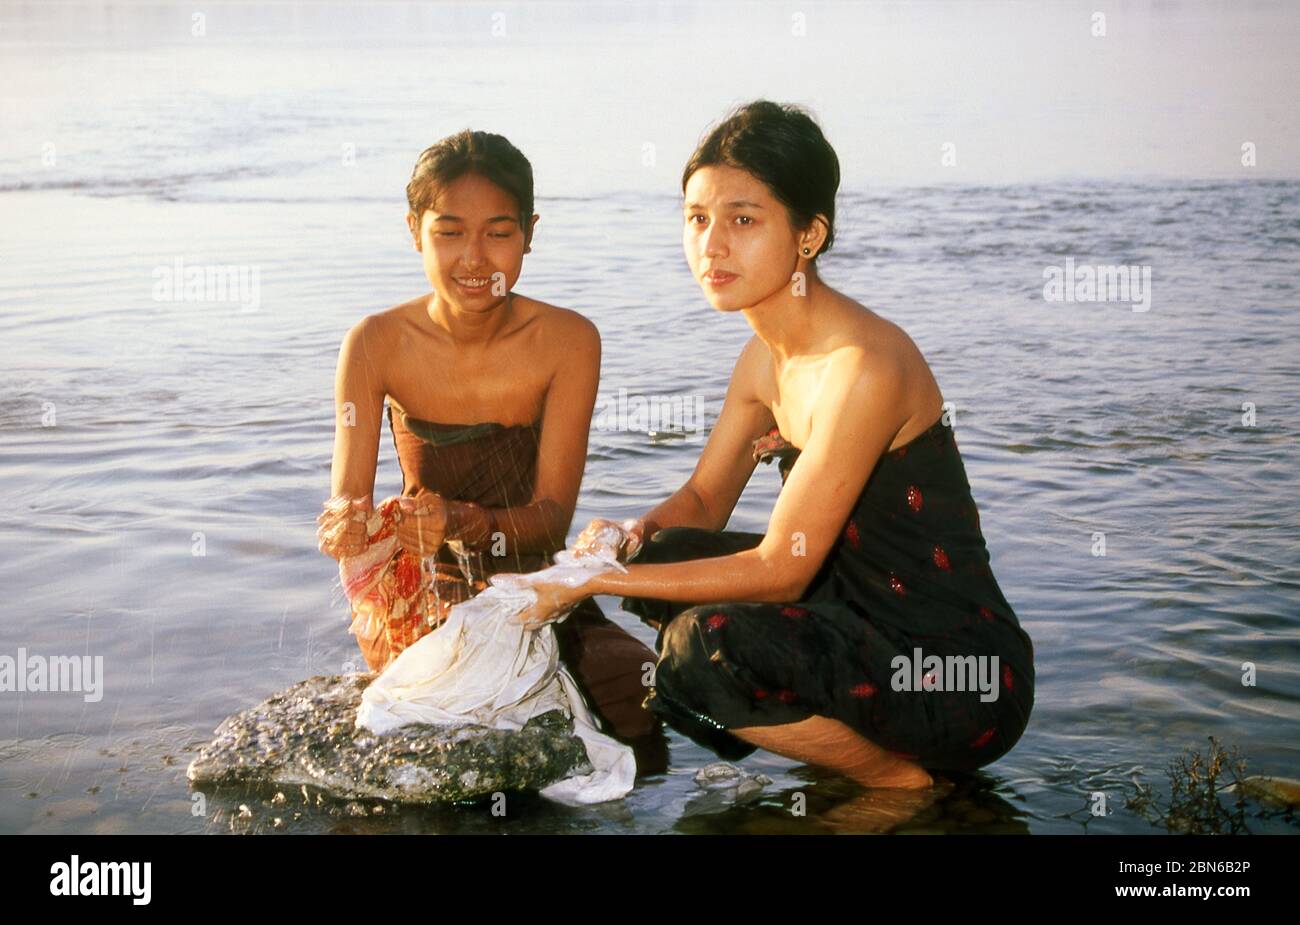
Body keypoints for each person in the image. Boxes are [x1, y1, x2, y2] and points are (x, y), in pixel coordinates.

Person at [517, 101, 1034, 790]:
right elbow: (704, 498)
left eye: (743, 220)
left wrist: (593, 583)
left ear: (808, 235)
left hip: (958, 673)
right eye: (696, 218)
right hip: (857, 620)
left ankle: (895, 785)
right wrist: (622, 542)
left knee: (702, 644)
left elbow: (782, 570)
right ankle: (846, 751)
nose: (711, 245)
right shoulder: (764, 361)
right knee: (663, 553)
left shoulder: (864, 366)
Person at [316, 129, 666, 773]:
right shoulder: (375, 342)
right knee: (462, 705)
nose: (475, 258)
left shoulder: (568, 340)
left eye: (498, 232)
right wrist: (349, 524)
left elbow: (552, 520)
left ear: (529, 233)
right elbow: (350, 502)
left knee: (639, 695)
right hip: (428, 590)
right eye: (449, 232)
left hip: (538, 588)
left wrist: (466, 520)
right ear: (414, 231)